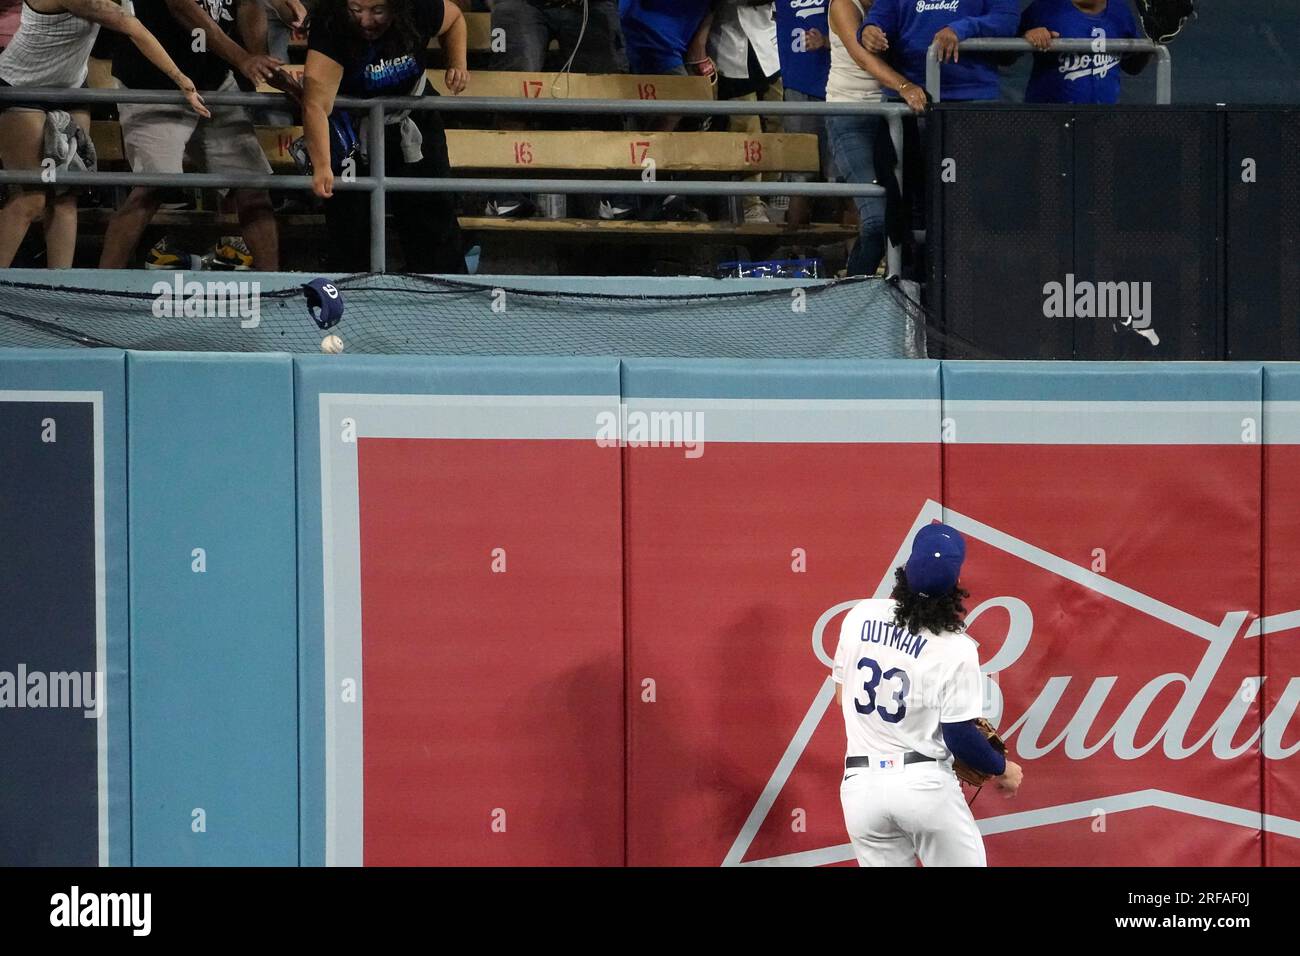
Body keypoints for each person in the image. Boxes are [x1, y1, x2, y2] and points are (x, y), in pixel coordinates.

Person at [832, 523, 1023, 867]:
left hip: (861, 790)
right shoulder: (956, 648)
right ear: (955, 587)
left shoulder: (859, 616)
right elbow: (960, 735)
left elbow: (840, 696)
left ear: (905, 571)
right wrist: (1002, 767)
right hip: (922, 786)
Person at [0, 0, 208, 269]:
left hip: (71, 89)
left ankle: (62, 289)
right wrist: (182, 81)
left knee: (67, 195)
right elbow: (133, 28)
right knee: (32, 197)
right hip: (23, 87)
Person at [100, 0, 299, 271]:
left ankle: (273, 289)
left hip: (212, 79)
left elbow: (248, 4)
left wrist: (261, 62)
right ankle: (102, 287)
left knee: (252, 186)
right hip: (154, 81)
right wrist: (242, 59)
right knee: (154, 185)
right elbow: (181, 6)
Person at [303, 0, 469, 273]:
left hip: (413, 119)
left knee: (432, 215)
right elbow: (315, 104)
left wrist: (458, 62)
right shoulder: (331, 23)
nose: (366, 21)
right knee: (350, 224)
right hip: (351, 129)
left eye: (377, 11)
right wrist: (321, 165)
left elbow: (455, 19)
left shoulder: (419, 7)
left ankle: (444, 292)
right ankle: (351, 296)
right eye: (356, 10)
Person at [482, 0, 631, 221]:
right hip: (521, 3)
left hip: (589, 5)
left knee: (607, 88)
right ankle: (504, 194)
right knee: (513, 85)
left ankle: (616, 197)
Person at [824, 0, 896, 275]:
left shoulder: (896, 6)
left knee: (908, 219)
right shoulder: (843, 4)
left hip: (894, 117)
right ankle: (853, 292)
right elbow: (862, 58)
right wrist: (906, 85)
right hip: (850, 116)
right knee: (877, 221)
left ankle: (901, 291)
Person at [705, 0, 782, 223]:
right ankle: (751, 204)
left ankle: (771, 191)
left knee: (777, 123)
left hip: (769, 47)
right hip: (729, 49)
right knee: (746, 132)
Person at [1019, 0, 1149, 105]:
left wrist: (1152, 44)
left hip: (1103, 120)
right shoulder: (1045, 8)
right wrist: (1028, 35)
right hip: (1050, 120)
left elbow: (1132, 66)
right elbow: (1007, 56)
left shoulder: (1120, 11)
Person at [773, 0, 830, 229]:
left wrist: (827, 42)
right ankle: (796, 254)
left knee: (846, 181)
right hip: (798, 86)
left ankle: (855, 260)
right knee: (800, 177)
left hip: (844, 88)